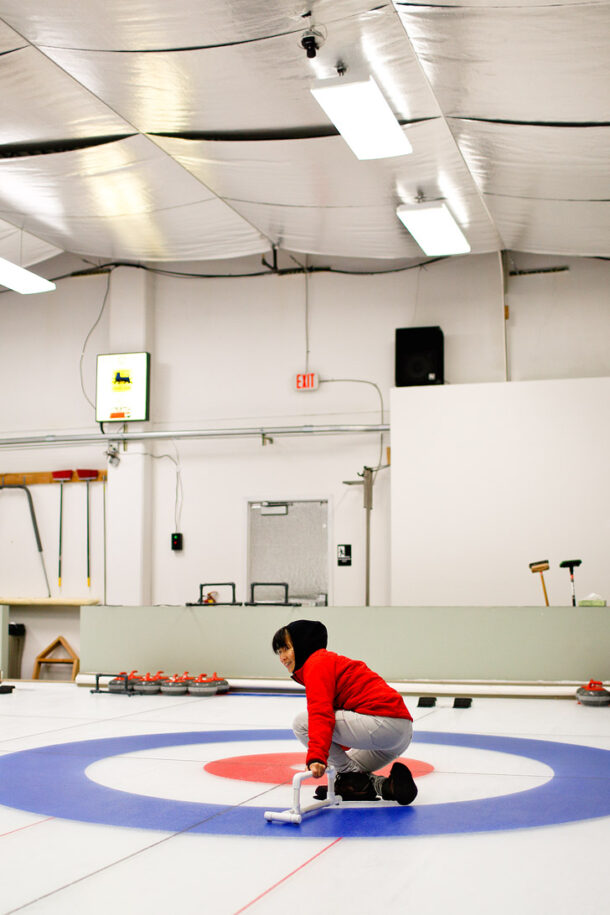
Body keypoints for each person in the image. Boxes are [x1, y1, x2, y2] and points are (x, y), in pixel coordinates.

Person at [272, 619, 417, 804]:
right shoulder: (327, 661)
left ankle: (352, 782)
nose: (282, 657)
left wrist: (317, 755)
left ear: (303, 644)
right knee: (349, 770)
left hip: (382, 723)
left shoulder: (316, 663)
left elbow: (320, 714)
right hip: (400, 732)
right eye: (279, 651)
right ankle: (386, 787)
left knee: (302, 724)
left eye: (286, 648)